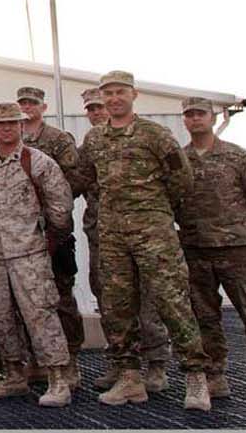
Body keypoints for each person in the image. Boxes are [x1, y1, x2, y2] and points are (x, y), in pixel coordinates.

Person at [78, 70, 212, 412]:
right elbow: (86, 177)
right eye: (108, 93)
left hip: (154, 233)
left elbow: (181, 179)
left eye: (120, 92)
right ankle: (129, 378)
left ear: (133, 95)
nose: (114, 99)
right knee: (117, 308)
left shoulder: (155, 135)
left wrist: (154, 210)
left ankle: (196, 377)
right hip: (112, 236)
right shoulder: (94, 140)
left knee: (172, 302)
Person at [177, 97, 246, 407]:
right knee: (203, 318)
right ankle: (214, 375)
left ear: (212, 118)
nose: (195, 119)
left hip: (237, 251)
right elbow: (172, 200)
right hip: (196, 249)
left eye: (201, 114)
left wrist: (235, 226)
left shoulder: (238, 157)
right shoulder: (180, 160)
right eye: (189, 114)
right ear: (184, 120)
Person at [0, 102, 75, 407]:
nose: (6, 128)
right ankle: (14, 375)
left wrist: (48, 242)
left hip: (30, 254)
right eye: (0, 124)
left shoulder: (38, 162)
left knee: (40, 315)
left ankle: (58, 379)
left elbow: (61, 207)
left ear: (21, 125)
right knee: (0, 317)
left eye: (12, 123)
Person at [82, 86, 169, 392]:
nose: (97, 112)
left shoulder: (147, 135)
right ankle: (121, 365)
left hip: (144, 233)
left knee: (148, 298)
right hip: (103, 233)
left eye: (100, 107)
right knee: (110, 301)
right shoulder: (92, 144)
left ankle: (156, 364)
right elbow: (80, 179)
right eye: (91, 109)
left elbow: (177, 180)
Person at [17, 84, 87, 387]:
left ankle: (71, 360)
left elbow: (75, 178)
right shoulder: (13, 139)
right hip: (22, 231)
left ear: (43, 107)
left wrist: (52, 204)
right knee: (28, 296)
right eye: (22, 103)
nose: (27, 108)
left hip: (53, 230)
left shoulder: (58, 139)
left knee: (60, 294)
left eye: (32, 103)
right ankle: (37, 358)